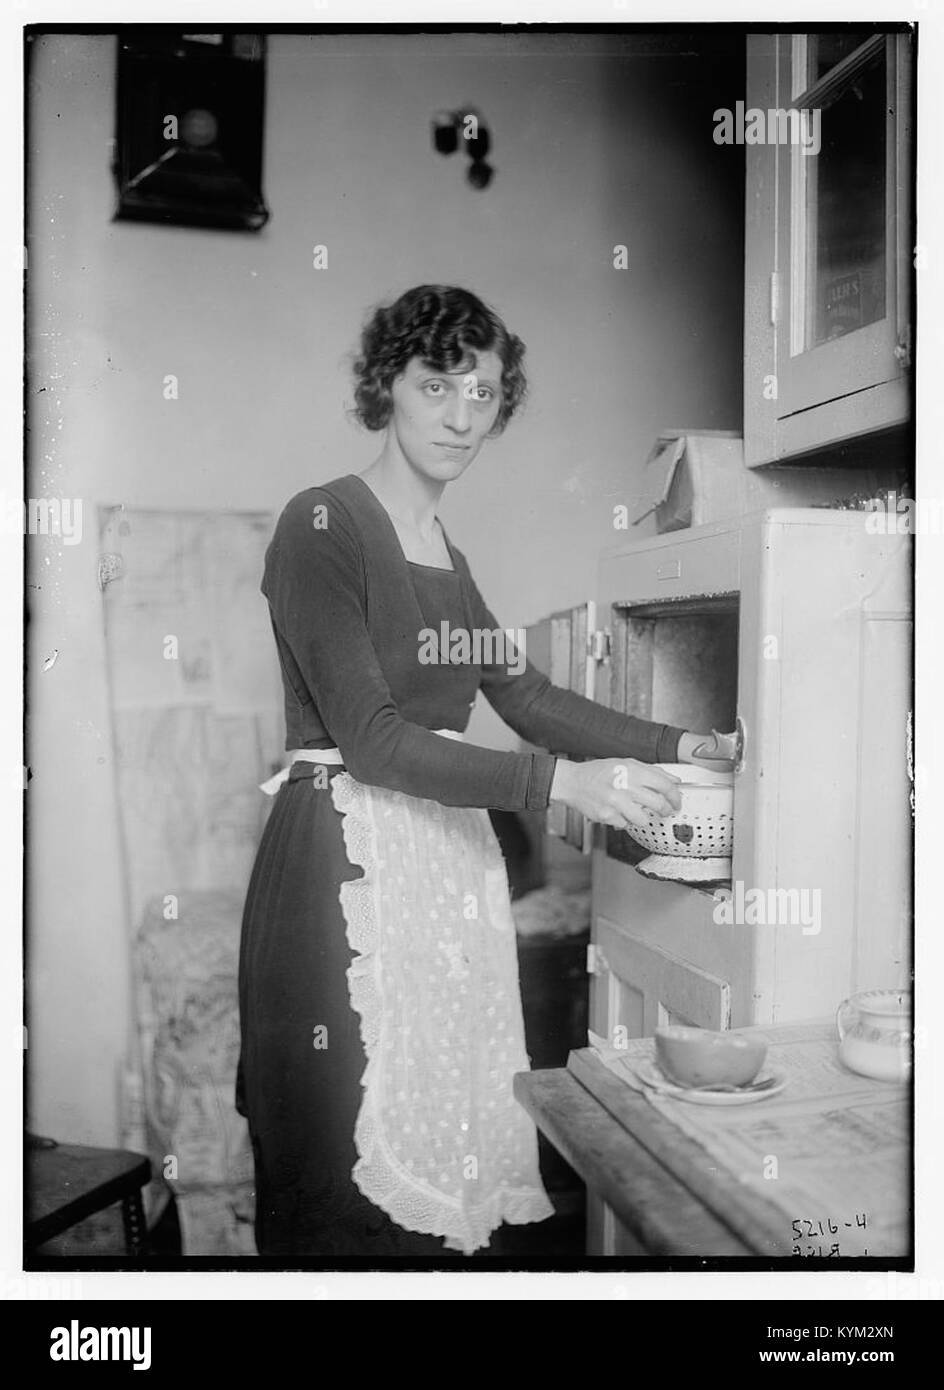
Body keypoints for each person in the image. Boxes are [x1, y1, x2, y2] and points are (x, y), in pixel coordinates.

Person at [235, 283, 731, 1259]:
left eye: (485, 393)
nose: (462, 415)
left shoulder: (446, 559)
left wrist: (676, 743)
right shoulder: (321, 526)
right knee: (346, 1163)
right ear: (389, 385)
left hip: (444, 865)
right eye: (438, 385)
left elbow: (527, 697)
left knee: (449, 1144)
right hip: (343, 867)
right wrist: (557, 787)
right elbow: (372, 739)